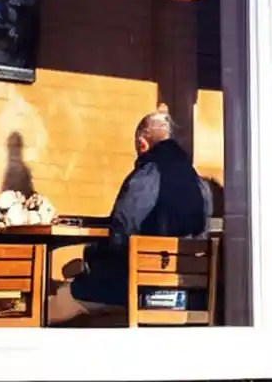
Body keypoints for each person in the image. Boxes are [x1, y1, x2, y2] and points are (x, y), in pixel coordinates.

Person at [47, 107, 211, 325]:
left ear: (142, 144)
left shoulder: (147, 174)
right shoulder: (200, 185)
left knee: (57, 301)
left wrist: (91, 256)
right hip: (189, 293)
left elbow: (121, 231)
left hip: (139, 287)